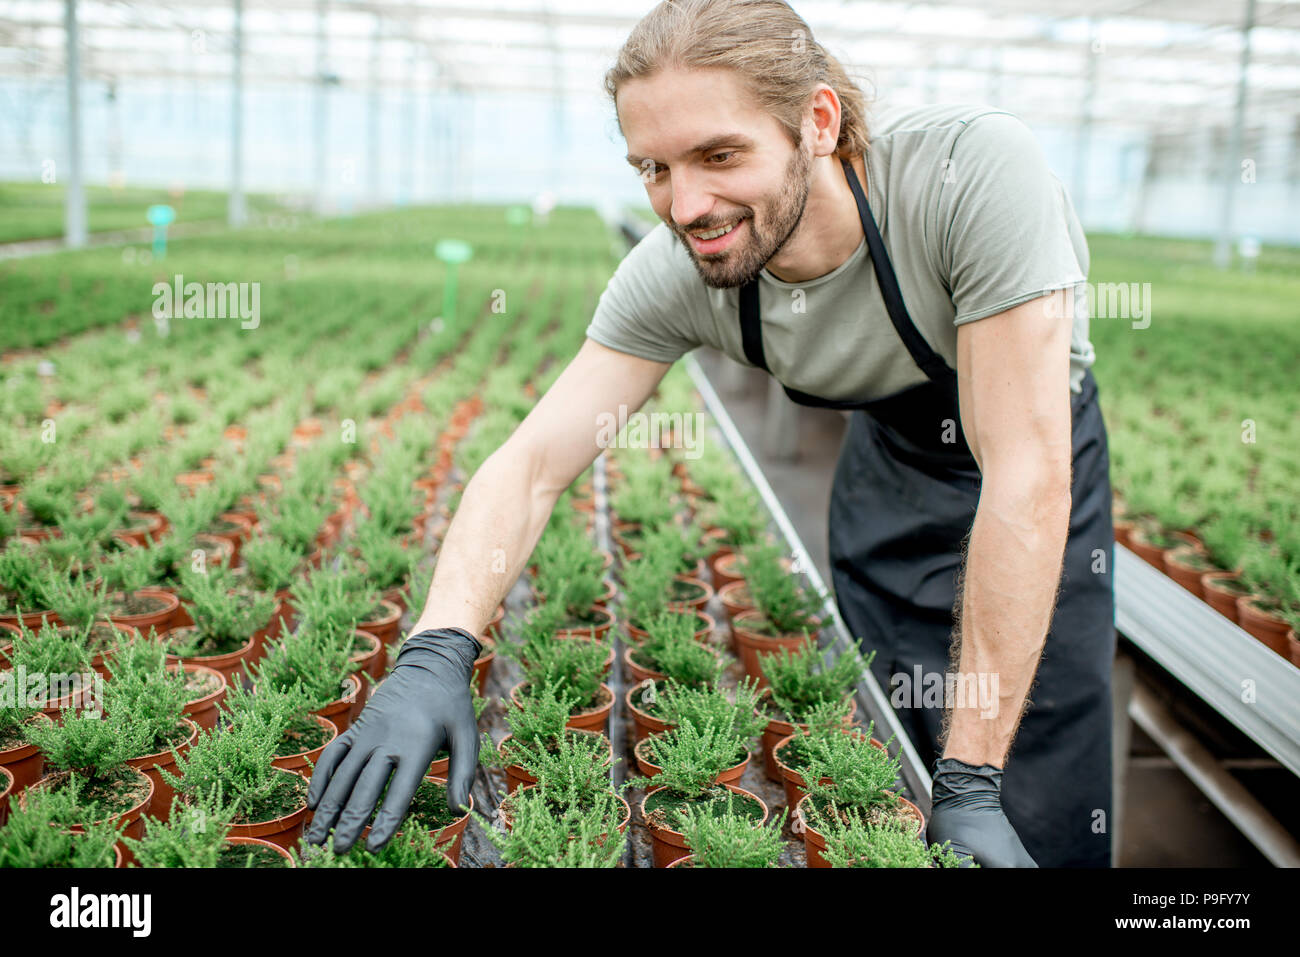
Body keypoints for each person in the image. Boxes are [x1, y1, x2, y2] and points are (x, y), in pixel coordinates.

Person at [306, 0, 1115, 868]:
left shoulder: (970, 175)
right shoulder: (680, 271)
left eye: (719, 155)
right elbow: (533, 463)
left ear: (817, 121)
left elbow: (1024, 471)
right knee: (884, 753)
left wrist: (974, 779)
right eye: (652, 167)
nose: (686, 204)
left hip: (1029, 474)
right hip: (887, 477)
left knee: (1030, 792)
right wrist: (437, 648)